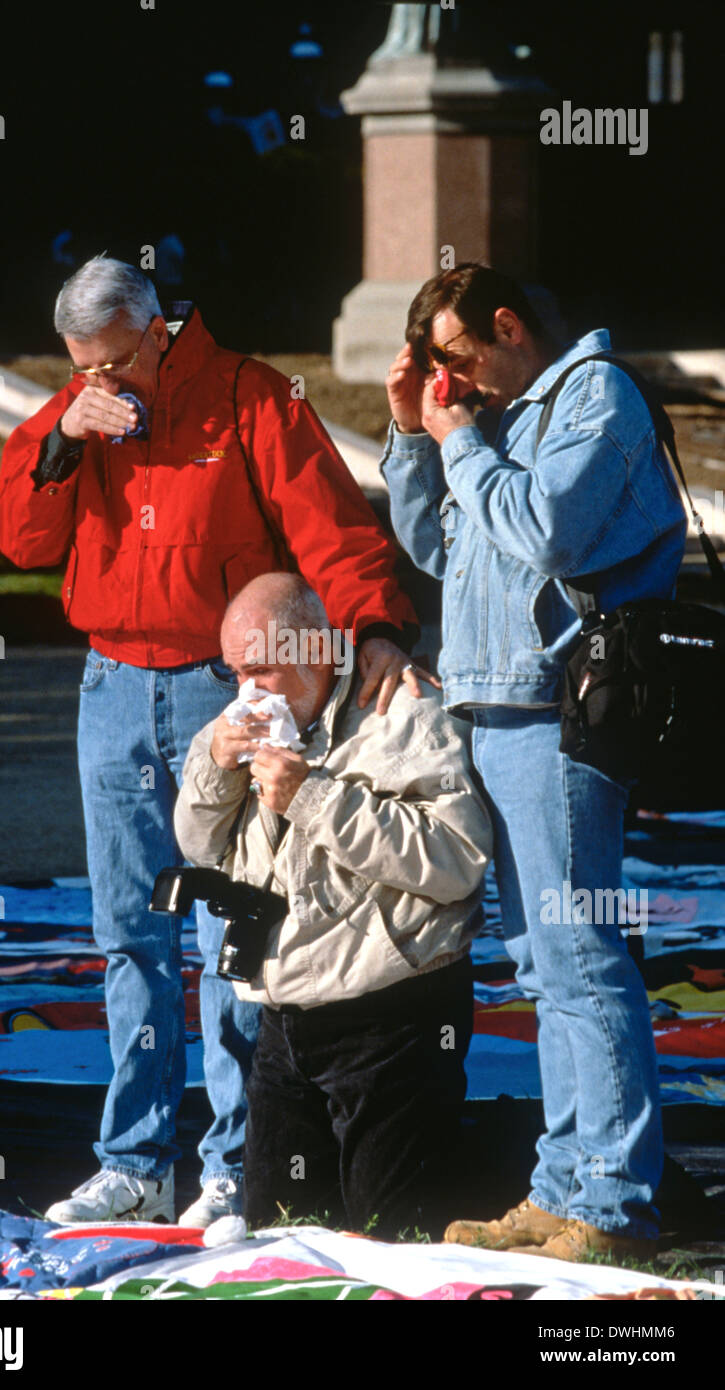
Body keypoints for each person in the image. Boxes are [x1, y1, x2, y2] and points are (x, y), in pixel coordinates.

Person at [0, 255, 422, 1227]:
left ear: (155, 332)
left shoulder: (252, 399)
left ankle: (236, 1164)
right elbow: (18, 537)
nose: (94, 385)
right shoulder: (82, 406)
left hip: (221, 693)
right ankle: (136, 1161)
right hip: (108, 686)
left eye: (107, 365)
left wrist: (380, 629)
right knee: (127, 937)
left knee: (231, 931)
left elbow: (334, 533)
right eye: (78, 369)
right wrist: (59, 436)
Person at [381, 262, 687, 1260]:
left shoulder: (594, 395)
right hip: (496, 705)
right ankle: (562, 1185)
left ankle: (611, 1202)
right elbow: (440, 546)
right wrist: (408, 439)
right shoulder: (503, 414)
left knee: (582, 957)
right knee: (542, 964)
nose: (455, 385)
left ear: (506, 325)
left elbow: (547, 532)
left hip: (557, 711)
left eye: (461, 358)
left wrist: (461, 439)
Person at [173, 573, 493, 1237]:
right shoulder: (244, 722)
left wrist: (312, 797)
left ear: (317, 649)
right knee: (279, 1238)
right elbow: (200, 845)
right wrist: (211, 760)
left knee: (392, 1239)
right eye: (232, 672)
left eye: (261, 668)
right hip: (285, 1025)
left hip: (392, 1018)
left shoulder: (403, 713)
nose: (247, 692)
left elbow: (458, 859)